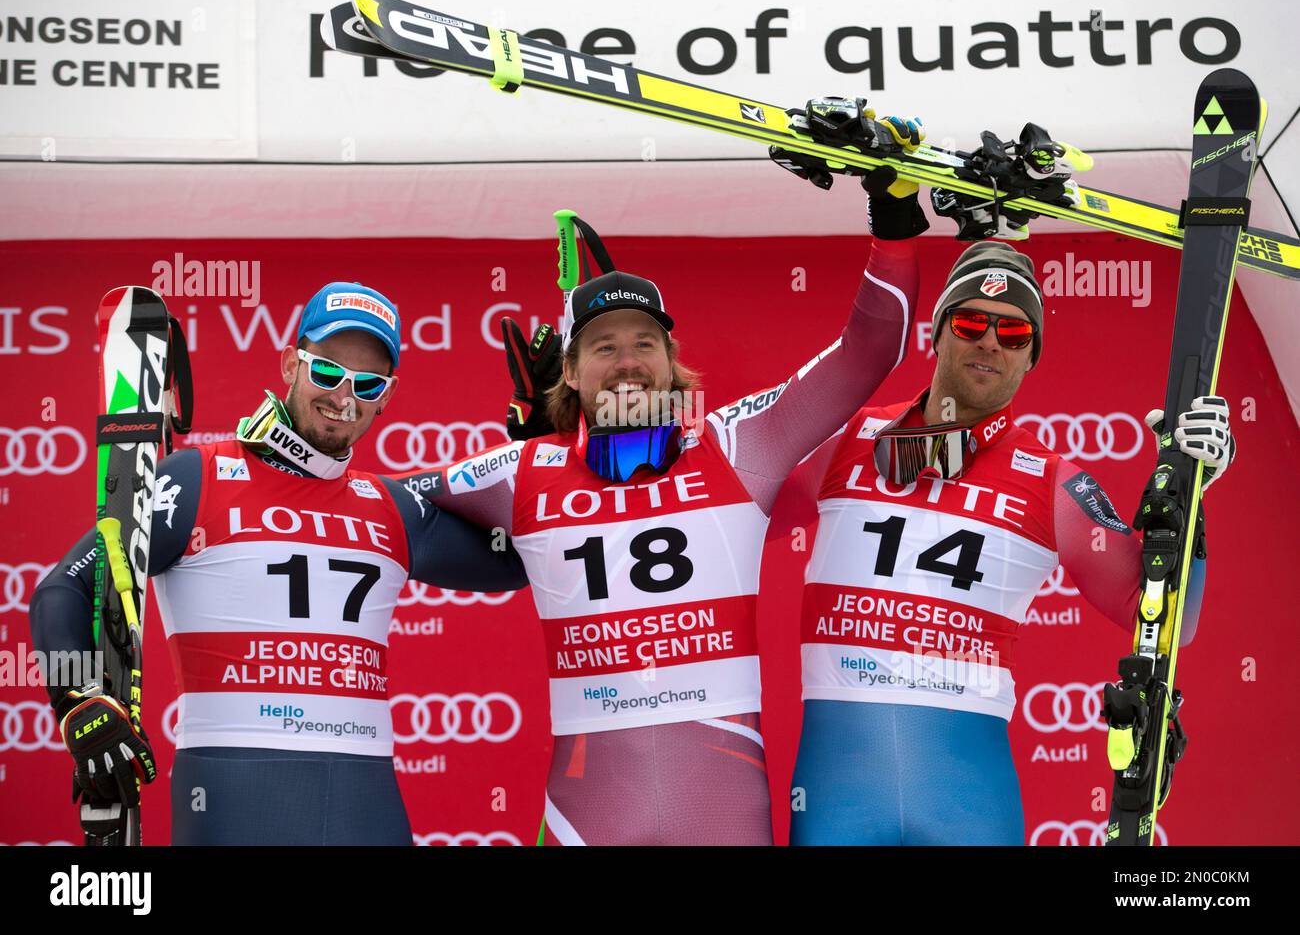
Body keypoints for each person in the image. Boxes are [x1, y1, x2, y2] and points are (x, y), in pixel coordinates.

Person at [401, 119, 928, 844]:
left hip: (720, 803)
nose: (627, 361)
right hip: (587, 811)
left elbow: (871, 351)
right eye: (604, 347)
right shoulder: (525, 470)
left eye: (645, 343)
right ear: (574, 375)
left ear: (672, 362)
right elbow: (382, 508)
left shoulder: (742, 443)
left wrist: (894, 219)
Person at [30, 282, 529, 845]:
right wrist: (78, 700)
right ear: (290, 364)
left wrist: (542, 443)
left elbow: (515, 563)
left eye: (367, 384)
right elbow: (62, 592)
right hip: (233, 796)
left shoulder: (394, 507)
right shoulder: (196, 479)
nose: (345, 396)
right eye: (326, 372)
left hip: (366, 805)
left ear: (385, 398)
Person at [784, 240, 1235, 844]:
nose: (990, 341)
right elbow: (733, 500)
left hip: (966, 801)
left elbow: (1168, 623)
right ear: (937, 334)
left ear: (1030, 359)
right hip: (837, 791)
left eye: (1014, 333)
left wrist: (1191, 490)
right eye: (971, 322)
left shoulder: (1051, 483)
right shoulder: (846, 438)